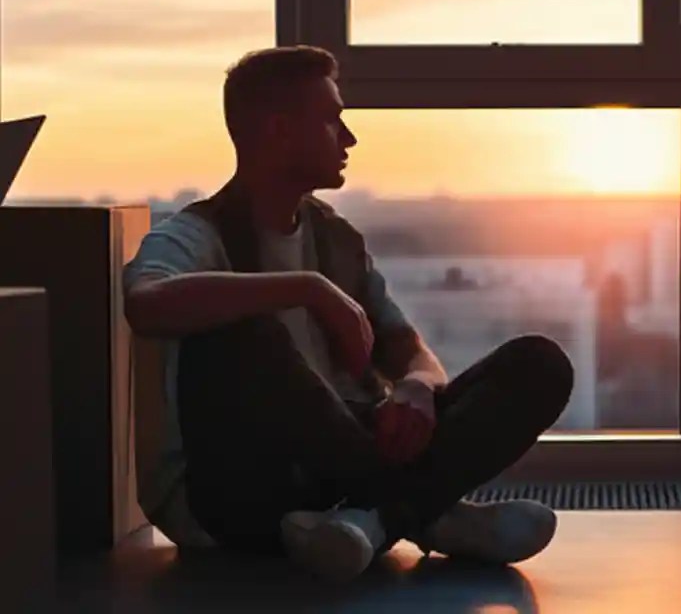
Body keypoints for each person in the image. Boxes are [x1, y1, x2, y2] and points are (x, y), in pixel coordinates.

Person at [123, 45, 573, 582]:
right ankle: (430, 516)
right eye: (332, 120)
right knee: (243, 332)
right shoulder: (193, 234)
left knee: (540, 363)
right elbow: (146, 304)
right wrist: (307, 289)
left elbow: (407, 350)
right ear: (279, 130)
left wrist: (418, 386)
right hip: (240, 491)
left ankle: (376, 519)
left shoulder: (337, 238)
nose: (349, 138)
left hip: (333, 476)